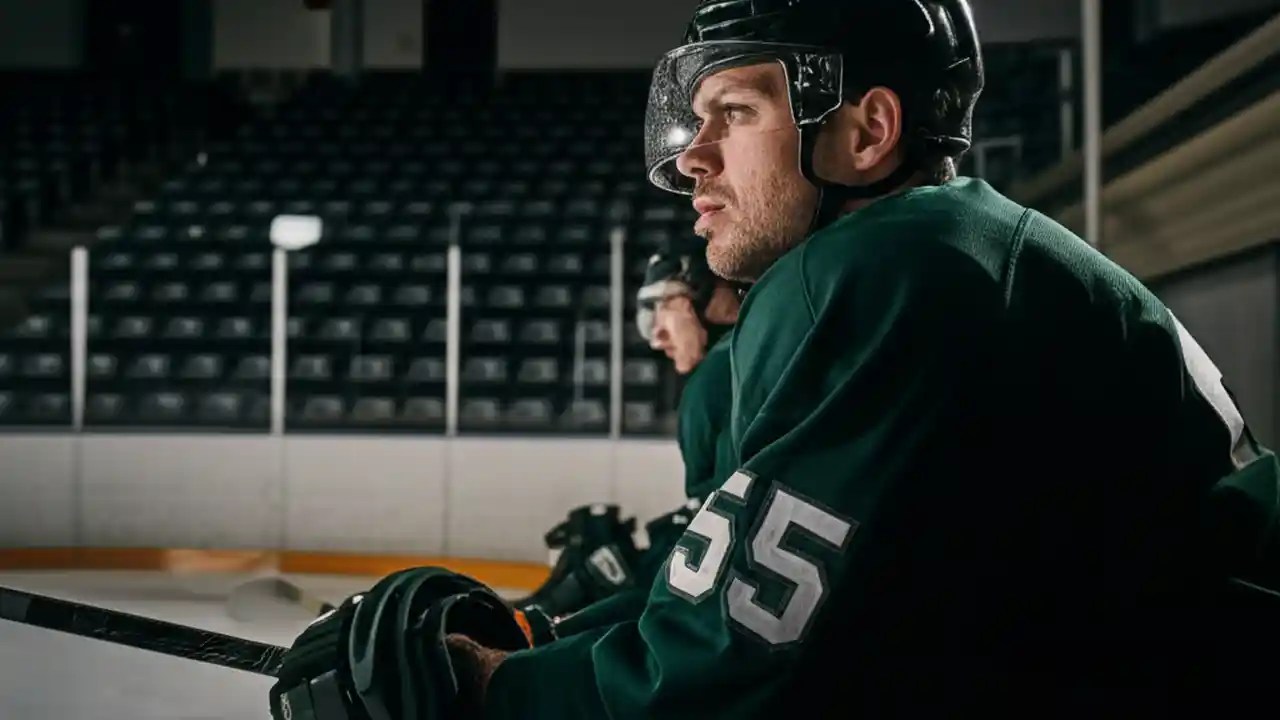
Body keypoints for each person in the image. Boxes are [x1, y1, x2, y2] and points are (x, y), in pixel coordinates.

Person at [272, 1, 1279, 717]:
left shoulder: (885, 267)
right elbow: (781, 600)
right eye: (694, 117)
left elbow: (734, 670)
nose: (691, 158)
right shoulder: (945, 250)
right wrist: (547, 641)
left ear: (865, 131)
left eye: (735, 113)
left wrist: (491, 690)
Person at [512, 238, 741, 638]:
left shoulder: (717, 377)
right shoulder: (751, 356)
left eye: (665, 307)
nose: (657, 337)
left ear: (713, 297)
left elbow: (722, 531)